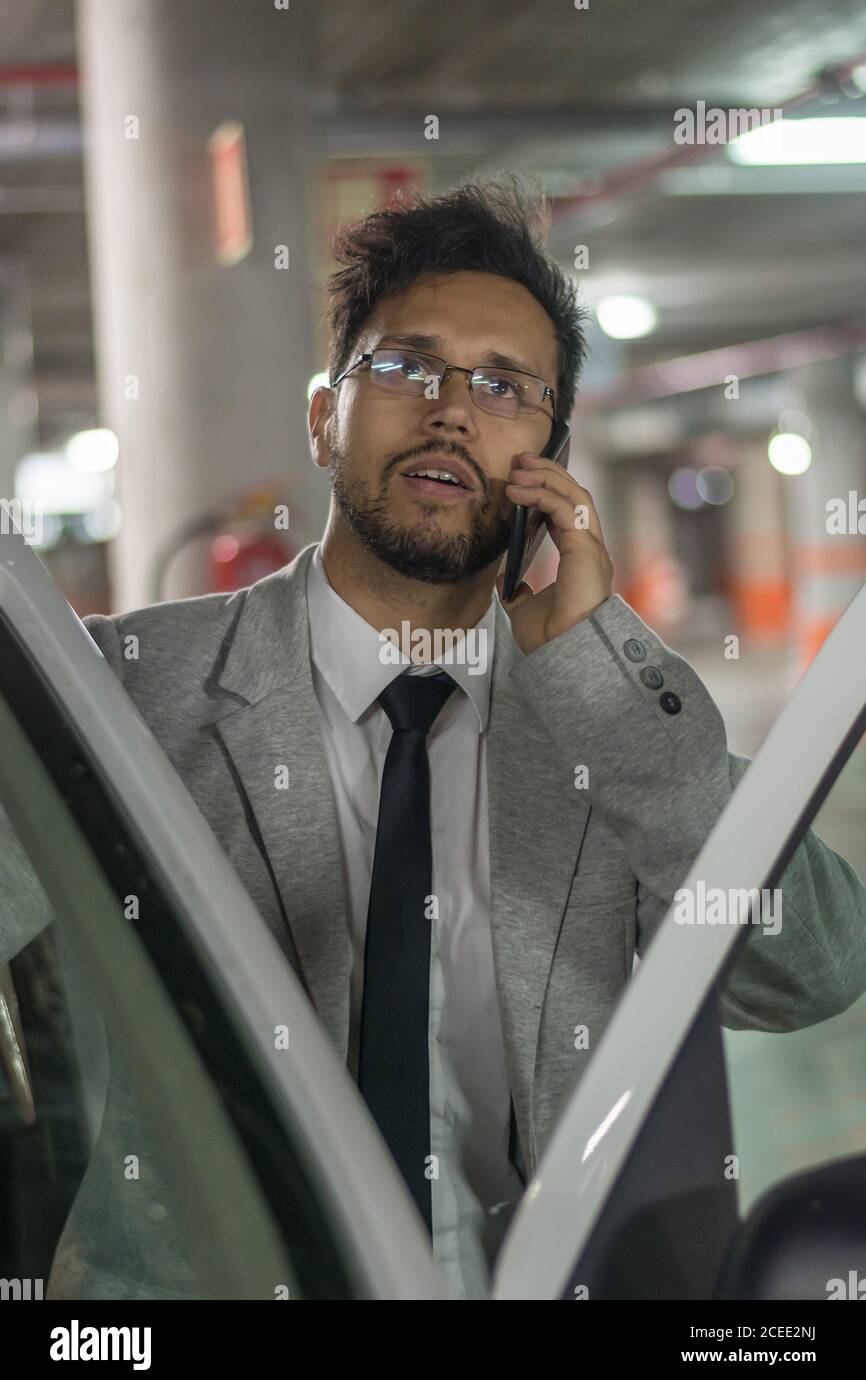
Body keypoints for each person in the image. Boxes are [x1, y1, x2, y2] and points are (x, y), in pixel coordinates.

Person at [3, 176, 866, 1301]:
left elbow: (811, 968)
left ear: (550, 455)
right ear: (324, 417)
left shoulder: (605, 716)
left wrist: (602, 691)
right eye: (406, 366)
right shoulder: (124, 688)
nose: (452, 409)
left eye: (504, 386)